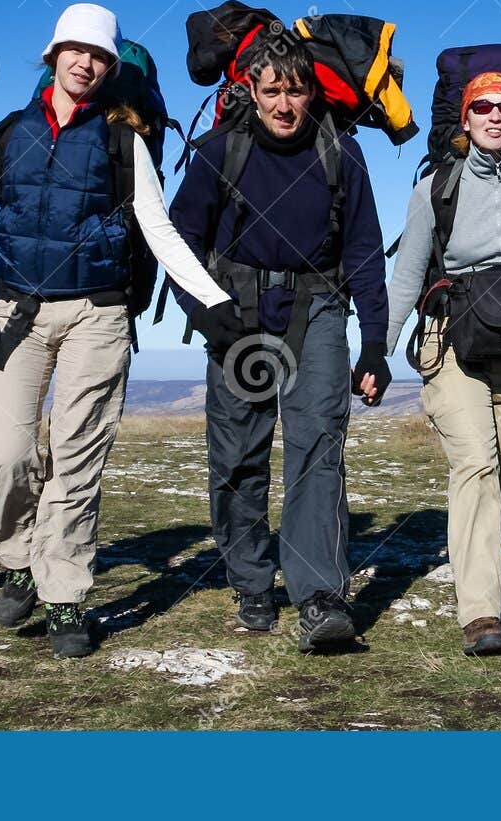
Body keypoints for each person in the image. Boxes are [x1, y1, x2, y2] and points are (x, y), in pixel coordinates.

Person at [0, 3, 238, 659]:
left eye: (98, 56)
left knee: (77, 456)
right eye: (75, 50)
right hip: (16, 311)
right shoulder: (6, 134)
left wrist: (212, 302)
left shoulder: (124, 142)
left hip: (98, 312)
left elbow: (158, 229)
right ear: (53, 55)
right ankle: (18, 560)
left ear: (109, 67)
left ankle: (64, 595)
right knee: (5, 452)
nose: (85, 63)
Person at [169, 36, 391, 653]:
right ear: (252, 90)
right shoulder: (220, 150)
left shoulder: (341, 153)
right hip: (235, 312)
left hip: (317, 310)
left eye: (295, 90)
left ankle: (320, 596)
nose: (284, 105)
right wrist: (204, 312)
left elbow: (364, 251)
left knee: (318, 448)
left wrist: (374, 343)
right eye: (272, 91)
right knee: (237, 453)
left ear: (312, 91)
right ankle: (251, 582)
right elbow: (179, 240)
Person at [381, 72, 501, 657]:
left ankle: (478, 559)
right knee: (477, 466)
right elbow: (407, 275)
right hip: (451, 341)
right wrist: (376, 351)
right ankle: (481, 614)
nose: (494, 116)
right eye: (482, 107)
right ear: (464, 119)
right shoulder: (434, 189)